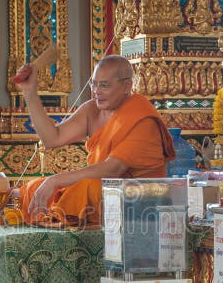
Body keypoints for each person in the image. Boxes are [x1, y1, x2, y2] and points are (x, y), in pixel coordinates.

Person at [14, 54, 176, 224]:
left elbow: (113, 169)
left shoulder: (142, 118)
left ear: (127, 86)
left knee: (89, 187)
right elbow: (52, 139)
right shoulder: (92, 110)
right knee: (36, 186)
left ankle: (57, 217)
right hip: (107, 190)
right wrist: (29, 92)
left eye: (104, 86)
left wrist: (55, 181)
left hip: (142, 197)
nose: (96, 91)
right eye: (94, 84)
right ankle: (13, 205)